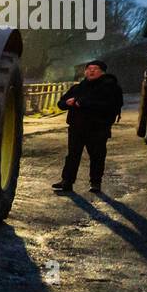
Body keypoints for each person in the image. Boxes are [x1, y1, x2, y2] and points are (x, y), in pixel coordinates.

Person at [53, 59, 124, 194]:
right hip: (76, 127)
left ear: (102, 72)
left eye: (95, 68)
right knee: (72, 155)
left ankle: (95, 183)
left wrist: (84, 103)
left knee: (97, 156)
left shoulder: (110, 87)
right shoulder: (78, 87)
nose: (91, 71)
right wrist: (67, 103)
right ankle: (67, 181)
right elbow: (61, 103)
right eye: (89, 68)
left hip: (98, 127)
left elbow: (112, 105)